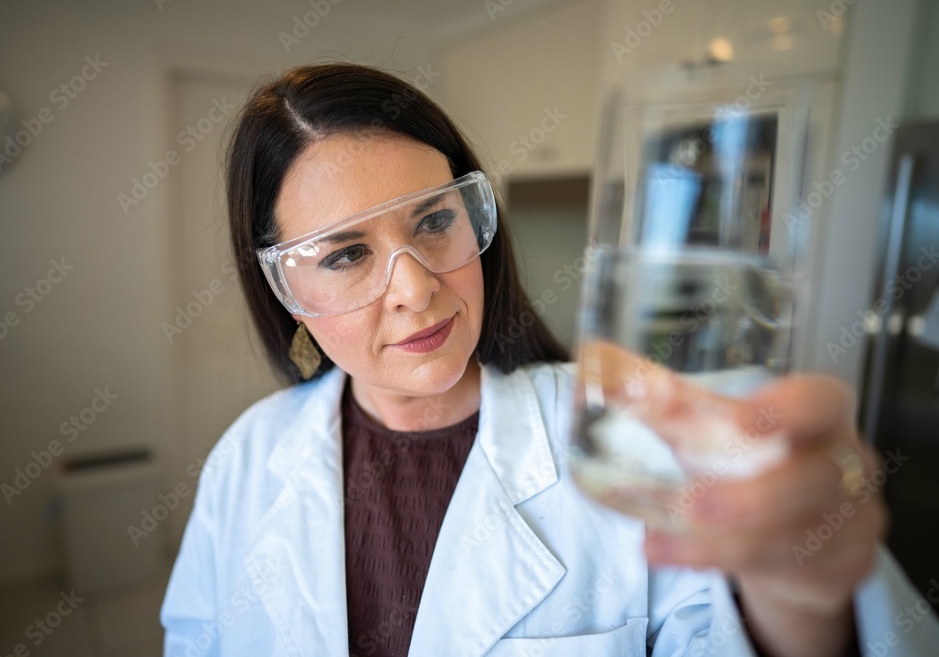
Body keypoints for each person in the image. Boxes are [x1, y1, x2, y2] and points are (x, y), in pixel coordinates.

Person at [160, 62, 937, 656]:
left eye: (435, 219)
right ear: (285, 288)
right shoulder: (248, 460)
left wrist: (801, 604)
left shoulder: (623, 436)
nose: (416, 289)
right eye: (346, 254)